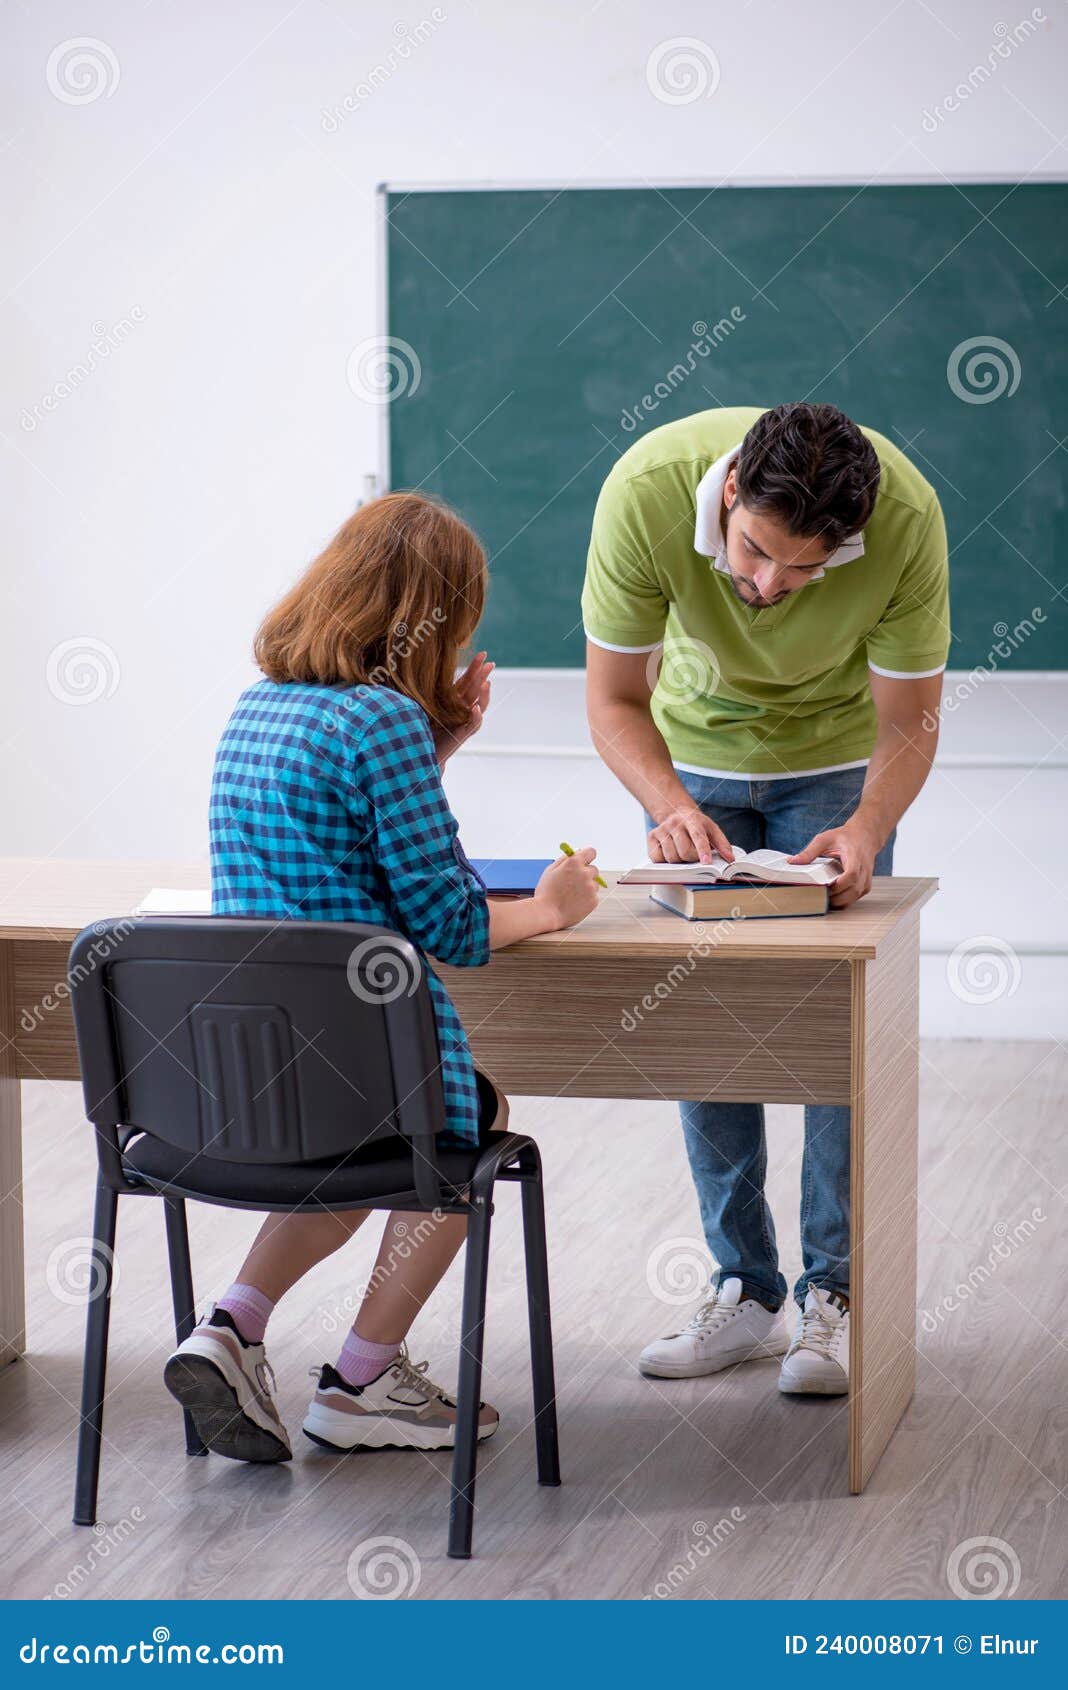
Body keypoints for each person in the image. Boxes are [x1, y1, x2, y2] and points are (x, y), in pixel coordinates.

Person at [165, 491, 600, 1462]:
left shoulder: (259, 709)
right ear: (432, 618)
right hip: (365, 1059)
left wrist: (435, 753)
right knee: (460, 1129)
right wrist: (555, 905)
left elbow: (343, 852)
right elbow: (447, 920)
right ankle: (362, 1377)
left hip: (257, 1078)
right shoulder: (381, 724)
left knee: (355, 1151)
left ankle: (230, 1325)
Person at [583, 402, 948, 1395]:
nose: (767, 585)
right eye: (753, 554)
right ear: (731, 489)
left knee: (835, 1019)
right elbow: (614, 697)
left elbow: (911, 718)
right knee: (711, 1018)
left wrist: (867, 828)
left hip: (836, 765)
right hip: (691, 758)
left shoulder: (907, 517)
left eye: (804, 569)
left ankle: (834, 1298)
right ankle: (746, 1288)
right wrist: (667, 803)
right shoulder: (648, 491)